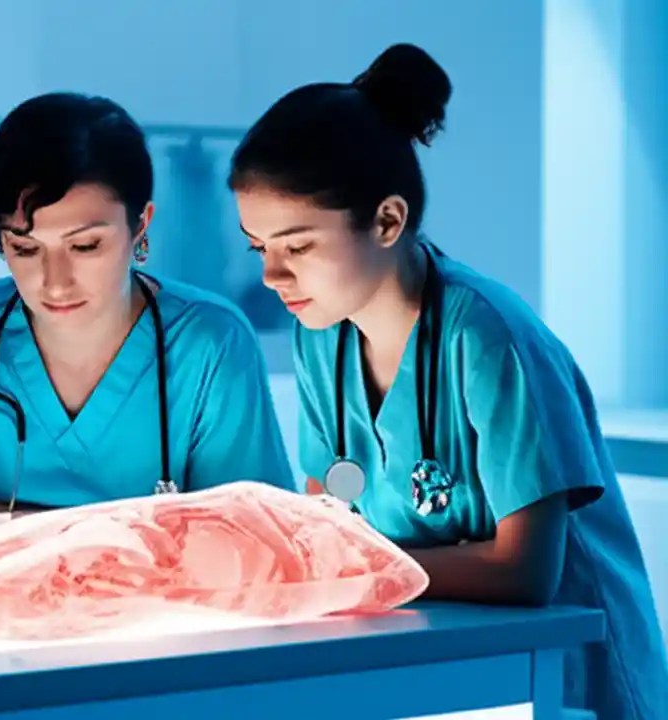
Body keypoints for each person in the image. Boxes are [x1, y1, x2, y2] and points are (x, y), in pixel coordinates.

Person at [229, 43, 668, 718]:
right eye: (260, 248)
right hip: (445, 657)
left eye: (298, 245)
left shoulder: (487, 336)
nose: (271, 276)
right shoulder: (321, 335)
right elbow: (327, 516)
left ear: (386, 221)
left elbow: (525, 572)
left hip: (569, 672)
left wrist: (357, 569)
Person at [0, 92, 293, 534]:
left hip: (165, 605)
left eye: (86, 245)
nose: (54, 281)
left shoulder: (209, 344)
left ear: (140, 225)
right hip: (4, 602)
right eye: (25, 248)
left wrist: (52, 536)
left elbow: (251, 535)